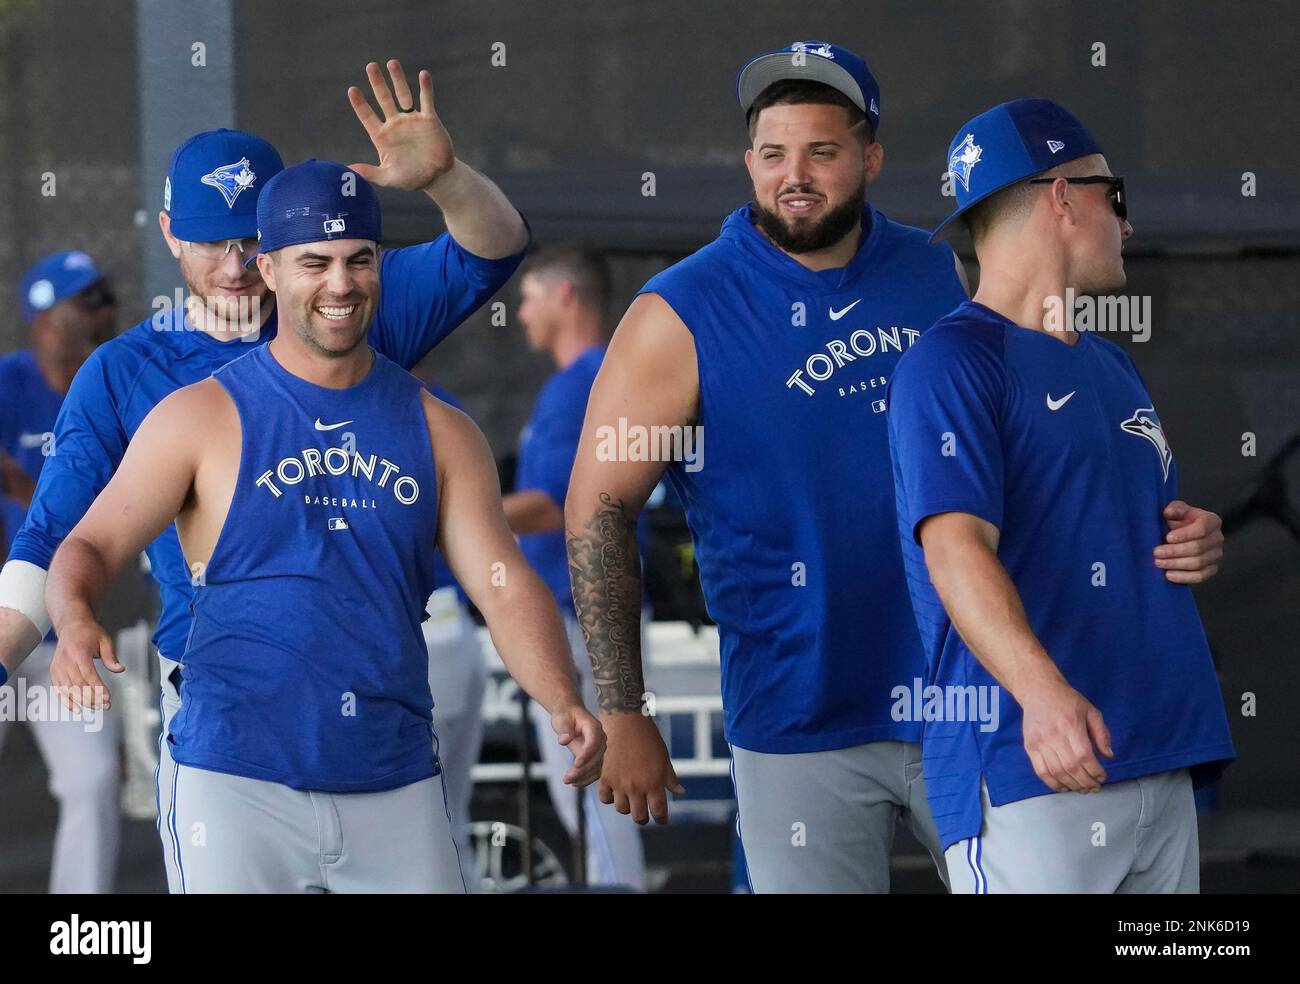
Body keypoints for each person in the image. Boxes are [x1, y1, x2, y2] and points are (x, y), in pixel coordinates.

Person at [0, 59, 528, 891]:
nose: (241, 265)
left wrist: (448, 180)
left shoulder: (347, 304)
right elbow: (53, 537)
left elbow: (490, 253)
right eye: (215, 242)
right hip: (223, 719)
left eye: (256, 239)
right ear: (170, 232)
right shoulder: (128, 371)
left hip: (376, 708)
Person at [564, 41, 972, 893]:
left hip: (968, 696)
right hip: (795, 714)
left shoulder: (951, 275)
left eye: (822, 152)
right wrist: (624, 711)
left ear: (871, 158)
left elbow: (1039, 445)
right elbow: (598, 510)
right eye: (775, 153)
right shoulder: (681, 309)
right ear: (749, 162)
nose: (796, 174)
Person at [886, 98, 1234, 893]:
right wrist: (1041, 697)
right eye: (1118, 198)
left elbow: (1108, 528)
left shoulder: (1113, 365)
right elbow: (953, 547)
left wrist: (1193, 537)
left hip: (1155, 747)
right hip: (1030, 761)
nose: (1129, 225)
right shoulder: (951, 364)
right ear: (1063, 194)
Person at [511, 246, 646, 889]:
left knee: (595, 778)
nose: (519, 314)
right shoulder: (592, 378)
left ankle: (616, 887)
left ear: (564, 296)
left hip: (579, 613)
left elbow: (550, 506)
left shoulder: (580, 385)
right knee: (598, 777)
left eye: (529, 297)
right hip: (583, 612)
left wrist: (441, 515)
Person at [0, 251, 117, 892]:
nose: (103, 309)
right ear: (45, 317)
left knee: (94, 780)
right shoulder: (10, 381)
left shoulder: (111, 381)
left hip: (68, 625)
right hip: (4, 618)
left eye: (103, 296)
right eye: (86, 298)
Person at [422, 382, 489, 891]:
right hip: (454, 626)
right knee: (448, 820)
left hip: (424, 631)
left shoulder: (425, 404)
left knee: (429, 822)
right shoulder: (442, 403)